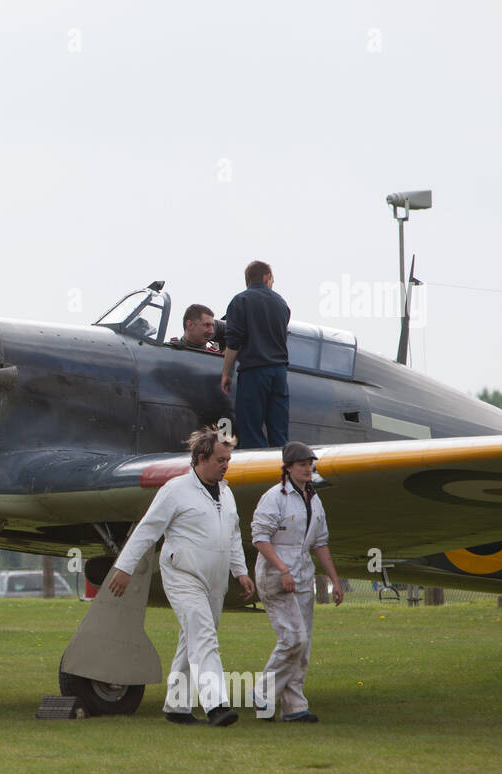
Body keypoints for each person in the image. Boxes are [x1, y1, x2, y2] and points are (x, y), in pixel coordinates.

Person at [106, 427, 255, 727]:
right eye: (220, 459)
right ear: (201, 458)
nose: (226, 465)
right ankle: (217, 706)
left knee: (194, 640)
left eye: (228, 459)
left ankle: (177, 706)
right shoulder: (174, 490)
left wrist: (241, 572)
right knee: (204, 637)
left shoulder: (227, 494)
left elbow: (233, 535)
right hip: (182, 576)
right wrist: (124, 568)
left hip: (215, 581)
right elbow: (148, 529)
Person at [250, 441, 343, 723]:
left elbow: (320, 543)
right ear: (288, 468)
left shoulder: (314, 499)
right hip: (275, 578)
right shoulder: (273, 497)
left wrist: (334, 580)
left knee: (304, 646)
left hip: (303, 576)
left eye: (310, 463)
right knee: (293, 638)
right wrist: (282, 570)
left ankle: (294, 706)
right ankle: (262, 694)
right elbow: (260, 538)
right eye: (302, 464)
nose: (308, 468)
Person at [219, 260, 290, 448]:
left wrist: (227, 373)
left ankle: (257, 474)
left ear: (248, 280)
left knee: (251, 431)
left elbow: (233, 342)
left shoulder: (240, 301)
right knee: (279, 433)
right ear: (267, 277)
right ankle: (282, 473)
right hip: (279, 373)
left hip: (254, 372)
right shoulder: (282, 304)